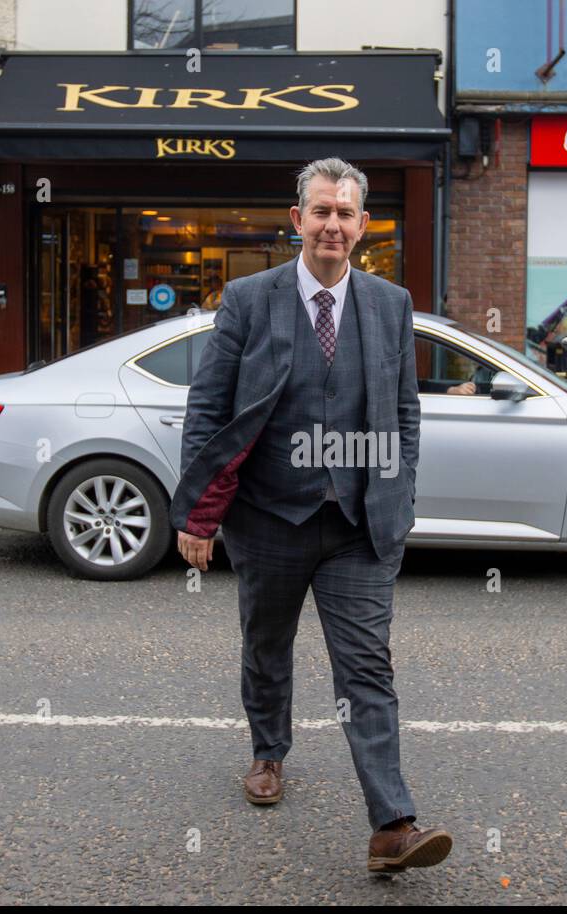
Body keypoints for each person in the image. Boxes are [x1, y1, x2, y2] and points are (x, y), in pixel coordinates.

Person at [169, 157, 453, 874]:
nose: (333, 224)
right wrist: (199, 515)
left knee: (366, 669)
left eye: (346, 212)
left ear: (363, 225)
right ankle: (269, 749)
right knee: (267, 645)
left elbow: (405, 413)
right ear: (298, 220)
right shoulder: (248, 299)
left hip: (358, 524)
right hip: (268, 516)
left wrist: (401, 494)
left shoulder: (389, 304)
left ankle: (393, 824)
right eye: (321, 210)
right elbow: (207, 409)